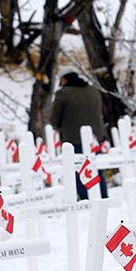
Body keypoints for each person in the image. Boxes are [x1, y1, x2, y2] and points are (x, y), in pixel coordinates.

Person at [49, 71, 108, 199]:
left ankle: (85, 199)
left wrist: (61, 129)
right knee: (96, 169)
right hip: (95, 138)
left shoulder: (62, 94)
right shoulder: (93, 90)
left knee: (79, 170)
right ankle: (102, 196)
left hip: (73, 138)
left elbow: (54, 120)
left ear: (65, 79)